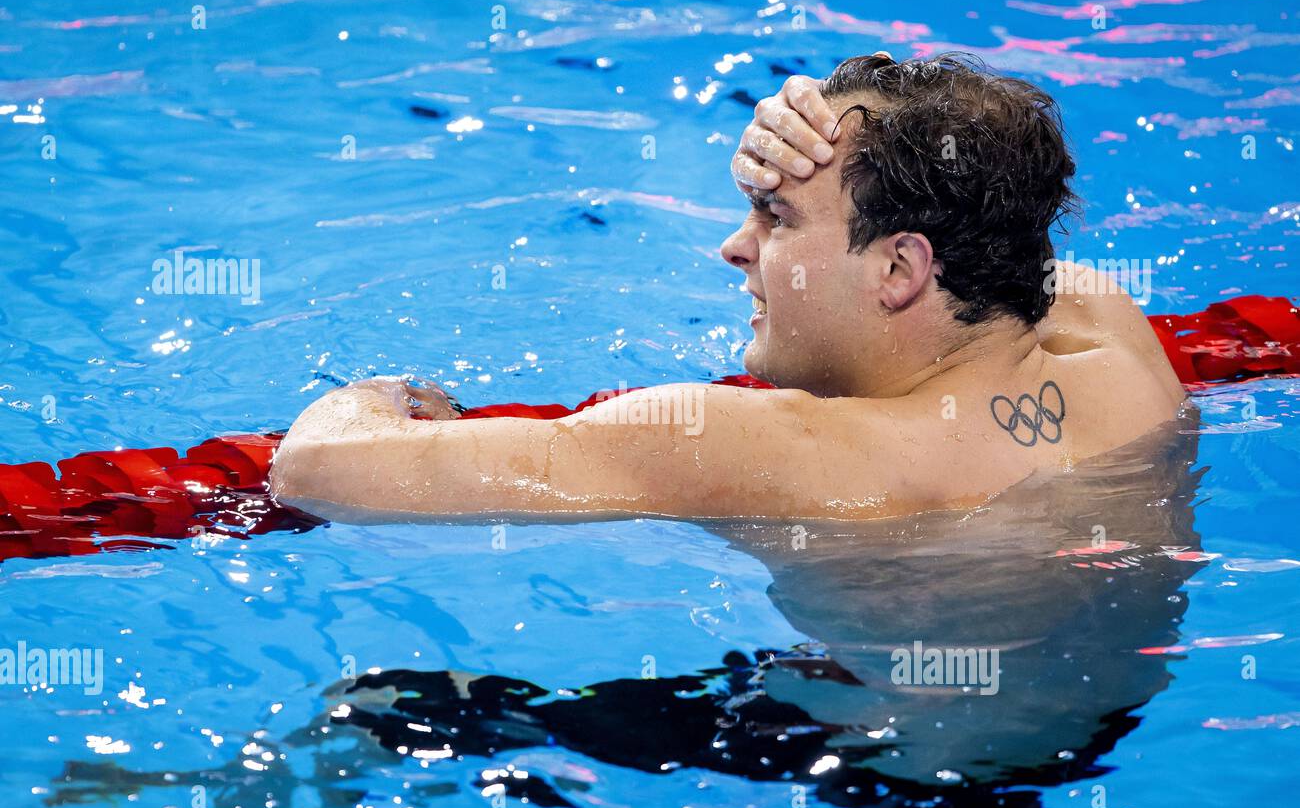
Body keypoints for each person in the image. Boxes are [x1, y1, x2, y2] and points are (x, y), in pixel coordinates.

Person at [270, 53, 1187, 523]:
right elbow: (1003, 197)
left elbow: (316, 472)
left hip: (875, 756)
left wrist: (373, 398)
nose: (733, 248)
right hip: (1087, 737)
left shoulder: (776, 447)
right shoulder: (1111, 336)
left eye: (774, 222)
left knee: (396, 707)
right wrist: (813, 163)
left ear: (902, 271)